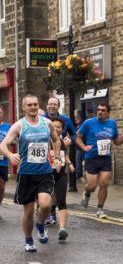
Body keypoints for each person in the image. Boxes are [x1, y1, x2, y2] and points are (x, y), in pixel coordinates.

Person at [1, 95, 62, 252]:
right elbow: (3, 144)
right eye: (30, 105)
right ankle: (29, 240)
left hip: (45, 172)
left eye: (35, 104)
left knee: (46, 204)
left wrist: (56, 158)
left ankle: (40, 225)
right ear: (24, 107)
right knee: (28, 211)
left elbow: (56, 140)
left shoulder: (47, 123)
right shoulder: (18, 126)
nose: (33, 107)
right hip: (26, 174)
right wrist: (11, 155)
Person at [76, 102, 123, 220]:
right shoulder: (89, 123)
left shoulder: (112, 124)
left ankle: (100, 209)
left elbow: (116, 141)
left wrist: (122, 139)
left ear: (108, 113)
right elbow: (77, 136)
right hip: (91, 157)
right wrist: (84, 147)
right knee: (92, 186)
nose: (100, 112)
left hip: (105, 158)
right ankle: (87, 193)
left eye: (103, 110)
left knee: (104, 183)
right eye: (98, 110)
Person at [44, 97, 77, 226]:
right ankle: (45, 210)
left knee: (57, 189)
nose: (52, 106)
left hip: (61, 155)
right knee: (46, 190)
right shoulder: (42, 119)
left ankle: (52, 213)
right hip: (45, 158)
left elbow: (74, 134)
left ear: (58, 106)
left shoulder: (66, 120)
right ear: (47, 106)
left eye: (55, 104)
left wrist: (70, 141)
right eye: (50, 104)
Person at [48, 117, 74, 241]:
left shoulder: (63, 142)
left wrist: (69, 164)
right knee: (47, 202)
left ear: (62, 129)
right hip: (46, 175)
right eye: (54, 126)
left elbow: (65, 154)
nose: (56, 129)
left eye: (59, 127)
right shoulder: (45, 141)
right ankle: (44, 218)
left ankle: (62, 229)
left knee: (61, 200)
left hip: (61, 175)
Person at [0, 104, 10, 216]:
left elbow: (16, 140)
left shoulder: (8, 127)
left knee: (2, 188)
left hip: (3, 161)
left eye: (0, 112)